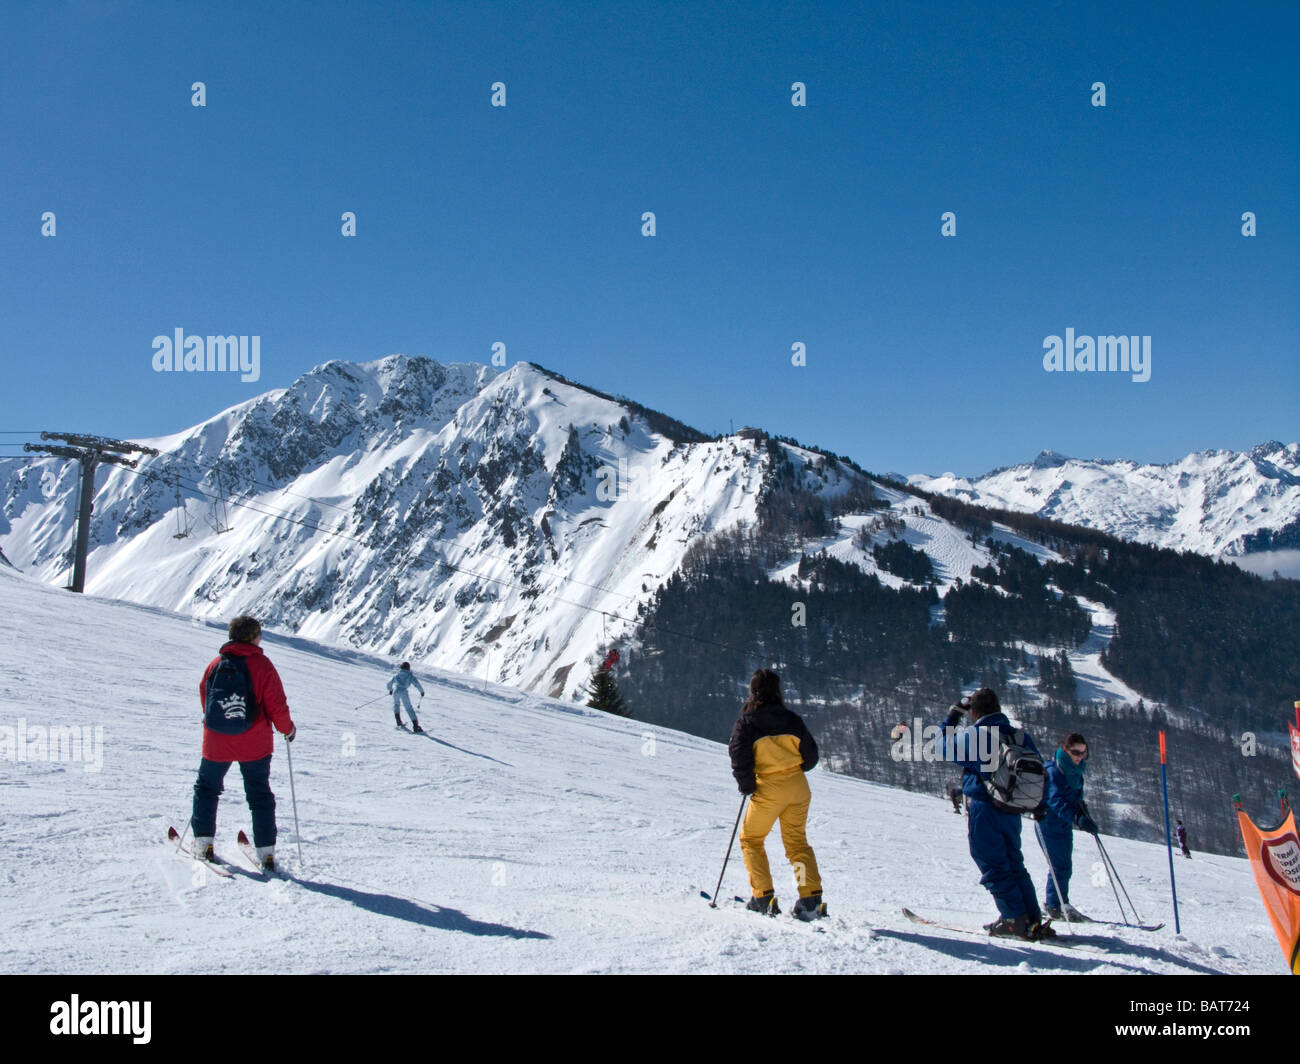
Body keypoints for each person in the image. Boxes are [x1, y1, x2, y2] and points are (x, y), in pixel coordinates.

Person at [942, 688, 1054, 940]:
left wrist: (952, 717)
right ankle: (1031, 917)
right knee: (1014, 862)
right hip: (1013, 809)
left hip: (984, 806)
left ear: (974, 712)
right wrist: (1040, 804)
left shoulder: (978, 736)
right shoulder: (1018, 736)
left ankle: (1013, 919)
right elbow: (1039, 771)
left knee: (992, 862)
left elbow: (942, 746)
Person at [192, 615, 297, 871]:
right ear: (253, 636)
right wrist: (288, 729)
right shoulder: (263, 666)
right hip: (255, 744)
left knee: (207, 789)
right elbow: (276, 704)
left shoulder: (216, 664)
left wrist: (218, 723)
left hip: (218, 741)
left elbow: (205, 696)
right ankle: (266, 853)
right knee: (259, 794)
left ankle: (203, 843)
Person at [728, 669, 826, 921]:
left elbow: (739, 755)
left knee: (751, 839)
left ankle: (762, 896)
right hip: (798, 786)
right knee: (797, 843)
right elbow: (811, 756)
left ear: (753, 691)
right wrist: (793, 769)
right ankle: (810, 897)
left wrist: (747, 784)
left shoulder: (747, 722)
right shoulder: (792, 720)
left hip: (768, 789)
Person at [1040, 732, 1100, 921]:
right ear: (1065, 749)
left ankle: (1059, 902)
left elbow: (1074, 797)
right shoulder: (1054, 771)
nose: (1080, 757)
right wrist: (1077, 817)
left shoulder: (1076, 770)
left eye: (1083, 753)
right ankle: (1055, 905)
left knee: (1064, 865)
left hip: (1064, 823)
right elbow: (1055, 800)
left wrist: (1081, 812)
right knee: (1059, 866)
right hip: (1049, 821)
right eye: (1076, 752)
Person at [388, 662, 425, 732]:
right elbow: (417, 684)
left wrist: (390, 690)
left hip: (396, 691)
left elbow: (389, 683)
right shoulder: (410, 676)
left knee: (396, 705)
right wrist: (422, 692)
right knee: (408, 708)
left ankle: (398, 721)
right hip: (404, 692)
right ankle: (415, 726)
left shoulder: (396, 675)